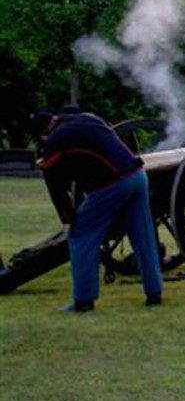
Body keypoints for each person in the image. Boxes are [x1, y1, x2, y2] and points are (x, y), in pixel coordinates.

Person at [31, 110, 163, 312]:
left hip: (112, 183)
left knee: (80, 235)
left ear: (43, 132)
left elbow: (55, 186)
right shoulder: (86, 118)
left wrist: (68, 217)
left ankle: (83, 300)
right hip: (138, 176)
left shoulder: (55, 141)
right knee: (143, 235)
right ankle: (154, 292)